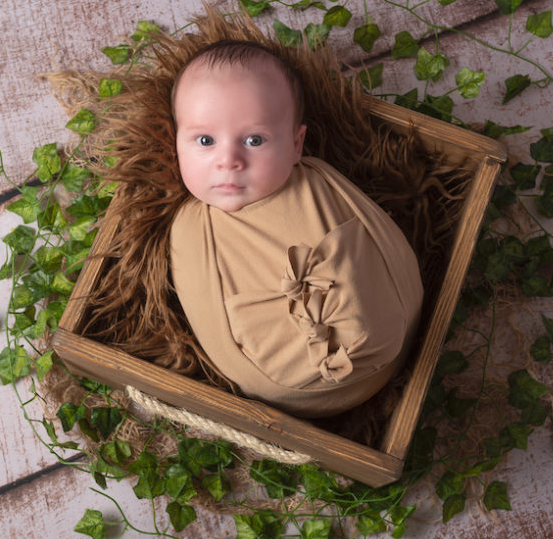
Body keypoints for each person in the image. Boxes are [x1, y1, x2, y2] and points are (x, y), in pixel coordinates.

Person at [168, 39, 423, 417]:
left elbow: (379, 238)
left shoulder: (317, 181)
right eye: (204, 140)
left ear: (296, 143)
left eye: (254, 140)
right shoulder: (192, 227)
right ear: (176, 143)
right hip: (285, 394)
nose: (229, 160)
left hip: (399, 343)